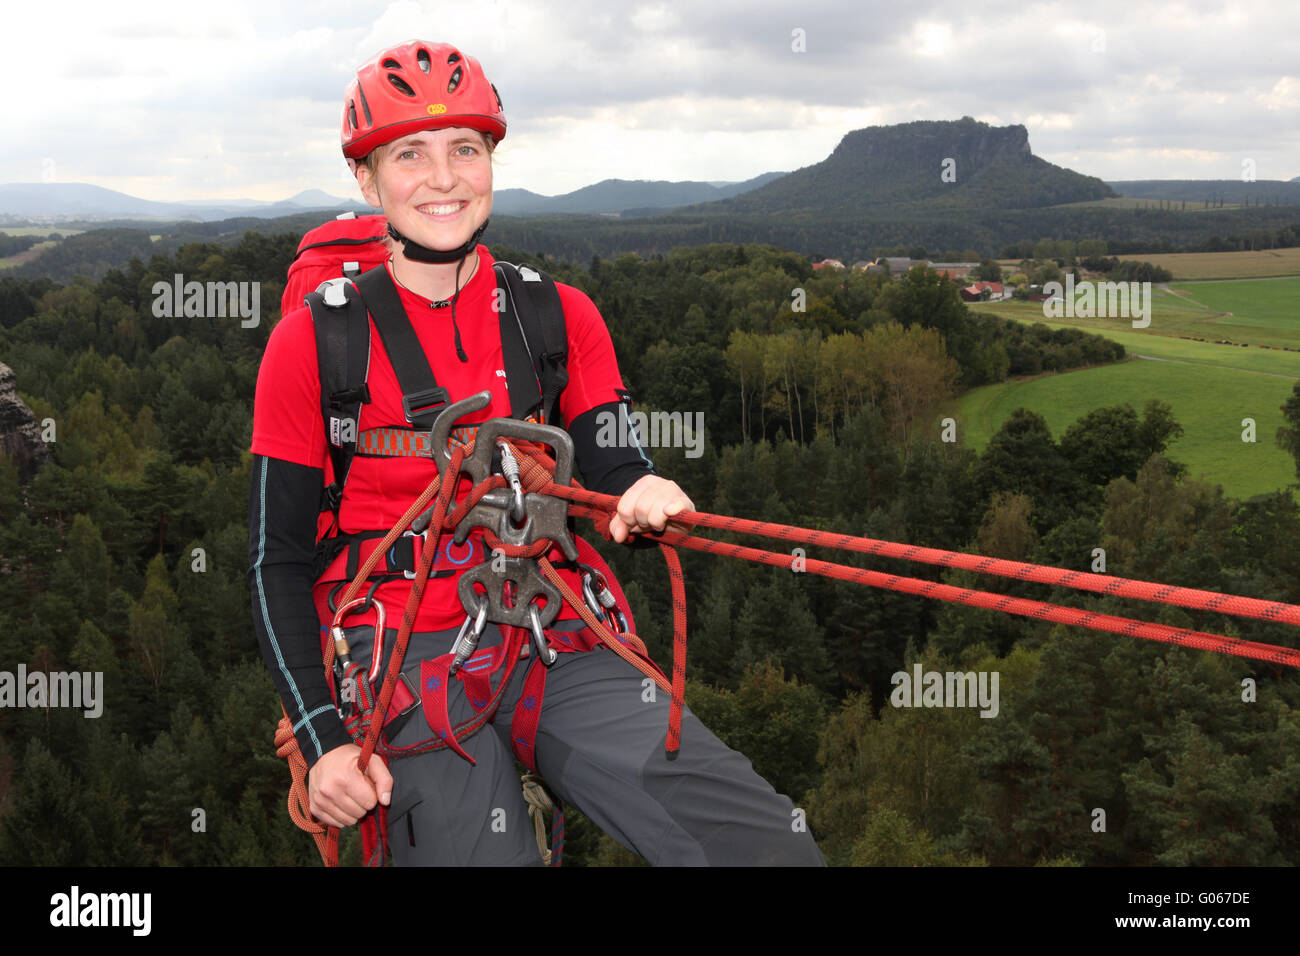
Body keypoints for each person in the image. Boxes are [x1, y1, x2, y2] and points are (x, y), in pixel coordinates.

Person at [248, 39, 825, 866]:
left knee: (766, 848)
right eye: (409, 154)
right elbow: (276, 561)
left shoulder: (556, 317)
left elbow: (618, 464)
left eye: (465, 150)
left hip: (546, 622)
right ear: (368, 181)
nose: (442, 178)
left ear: (491, 161)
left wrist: (648, 490)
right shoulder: (314, 345)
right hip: (396, 652)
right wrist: (323, 735)